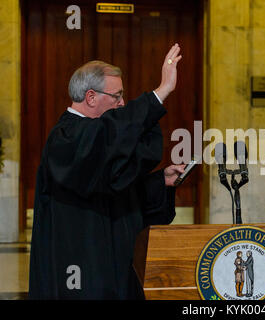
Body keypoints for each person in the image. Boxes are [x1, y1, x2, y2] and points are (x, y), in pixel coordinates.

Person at [29, 44, 185, 300]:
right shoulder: (67, 137)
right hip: (81, 272)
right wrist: (160, 93)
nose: (122, 103)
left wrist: (160, 181)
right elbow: (109, 136)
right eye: (117, 96)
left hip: (114, 265)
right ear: (90, 97)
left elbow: (112, 186)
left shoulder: (94, 139)